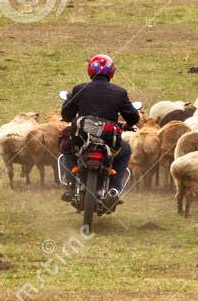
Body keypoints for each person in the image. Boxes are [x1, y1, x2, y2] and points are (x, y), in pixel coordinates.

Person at [59, 53, 139, 202]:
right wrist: (127, 125)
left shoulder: (79, 89)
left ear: (90, 70)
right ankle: (114, 189)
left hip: (82, 134)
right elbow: (134, 118)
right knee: (125, 151)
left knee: (66, 145)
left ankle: (70, 183)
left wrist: (69, 115)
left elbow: (66, 114)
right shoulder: (120, 92)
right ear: (111, 72)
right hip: (109, 136)